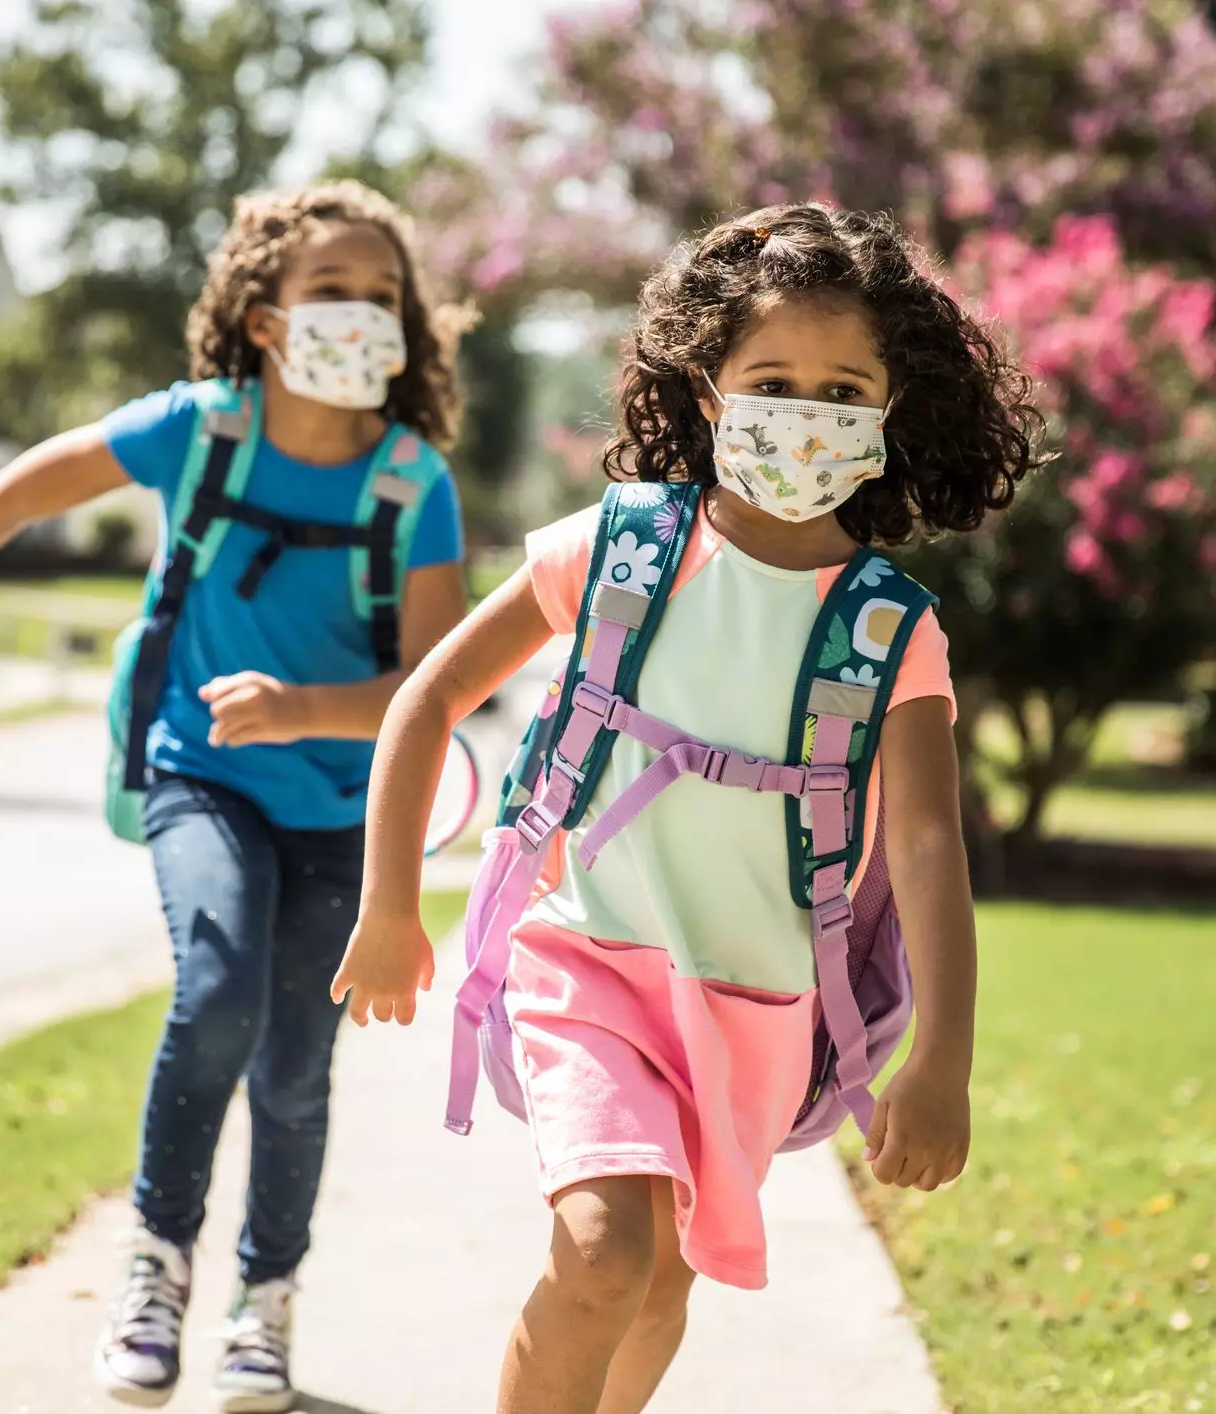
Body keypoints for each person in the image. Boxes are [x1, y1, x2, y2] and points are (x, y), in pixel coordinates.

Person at [330, 203, 1041, 1413]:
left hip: (758, 1004)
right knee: (606, 1253)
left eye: (840, 388)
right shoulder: (617, 552)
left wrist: (946, 1059)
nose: (804, 414)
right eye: (772, 380)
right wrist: (390, 905)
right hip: (590, 961)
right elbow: (430, 694)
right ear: (710, 392)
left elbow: (927, 847)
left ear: (886, 414)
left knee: (660, 1287)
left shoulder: (891, 631)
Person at [0, 181, 472, 1412]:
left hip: (344, 805)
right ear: (264, 317)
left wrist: (298, 708)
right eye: (330, 292)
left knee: (296, 1070)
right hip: (200, 775)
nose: (361, 315)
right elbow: (27, 486)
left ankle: (262, 1307)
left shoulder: (411, 484)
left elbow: (429, 690)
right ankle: (158, 1262)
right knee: (220, 985)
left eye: (382, 296)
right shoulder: (203, 429)